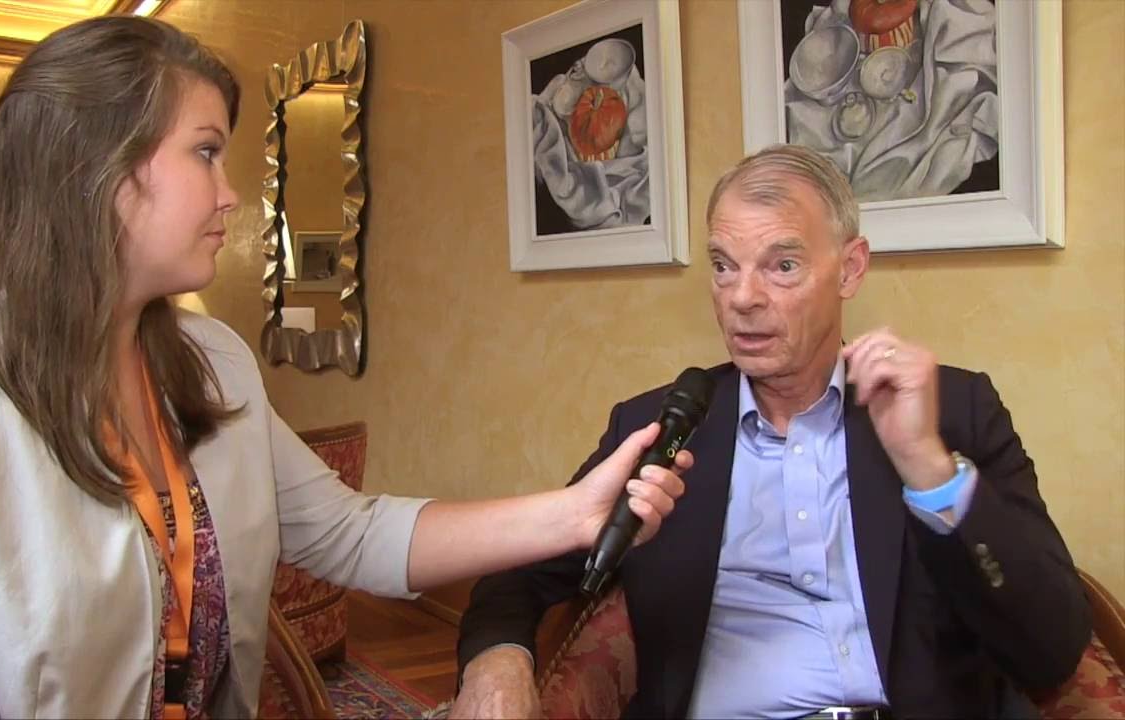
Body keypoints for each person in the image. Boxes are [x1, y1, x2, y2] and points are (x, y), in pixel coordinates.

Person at [0, 17, 691, 719]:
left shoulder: (213, 361)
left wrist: (574, 514)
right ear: (93, 164)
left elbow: (352, 534)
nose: (230, 194)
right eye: (205, 152)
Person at [453, 144, 1091, 719]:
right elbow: (522, 571)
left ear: (850, 270)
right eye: (723, 266)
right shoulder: (660, 428)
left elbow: (1054, 649)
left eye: (781, 265)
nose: (742, 298)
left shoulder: (952, 411)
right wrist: (495, 661)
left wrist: (927, 466)